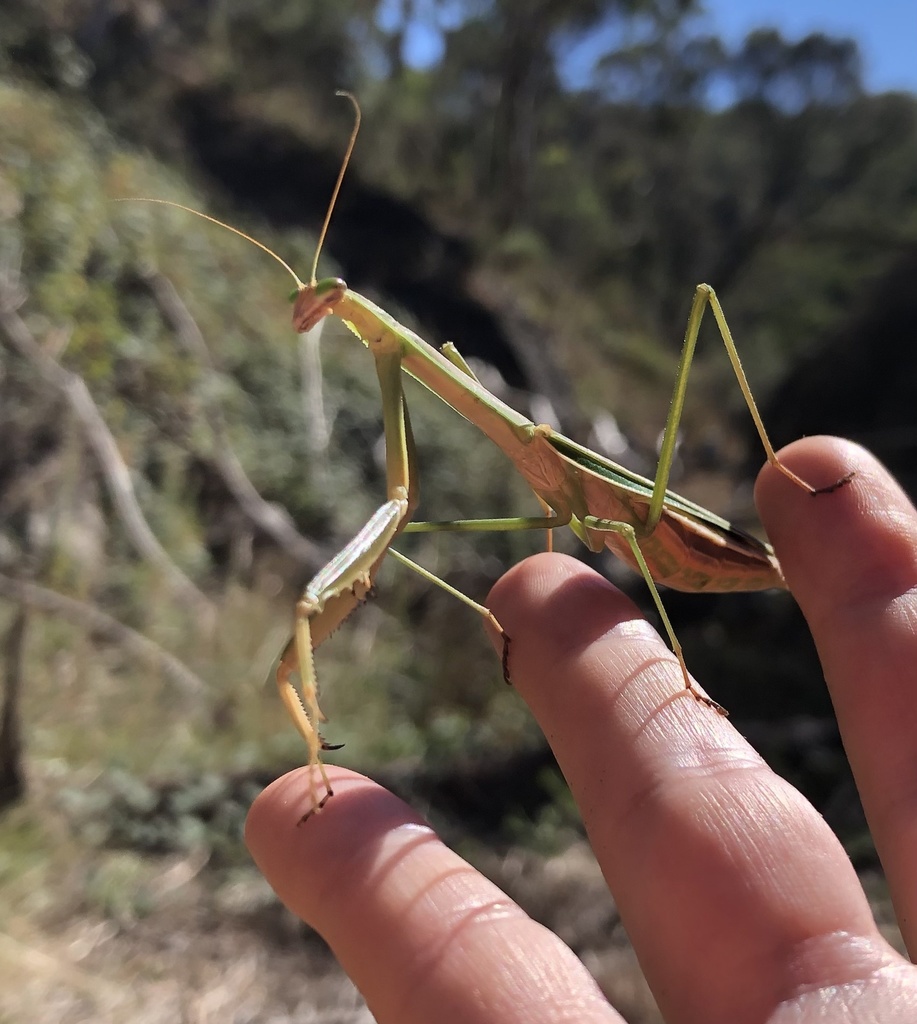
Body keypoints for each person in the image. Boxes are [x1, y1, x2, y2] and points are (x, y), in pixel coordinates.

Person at [246, 437, 917, 1022]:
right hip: (634, 535)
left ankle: (769, 518)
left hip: (673, 531)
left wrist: (679, 672)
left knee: (702, 296)